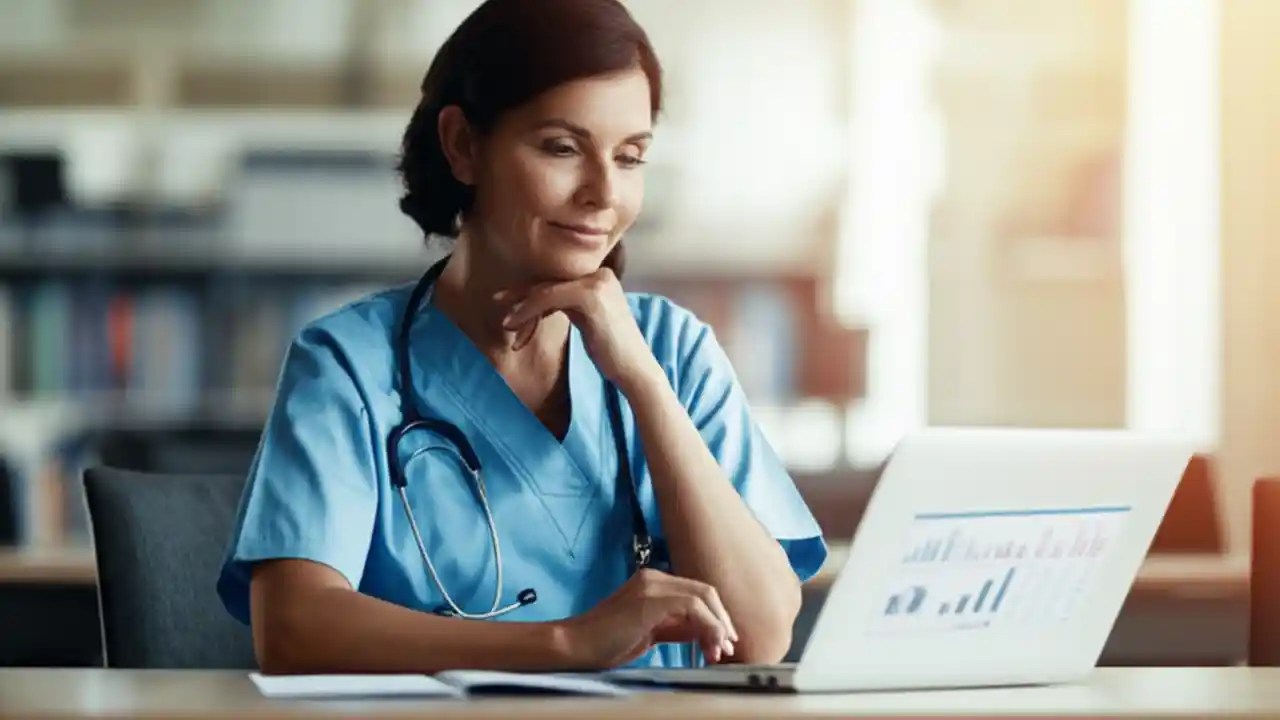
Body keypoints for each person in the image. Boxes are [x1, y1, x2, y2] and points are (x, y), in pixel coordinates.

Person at [217, 0, 826, 674]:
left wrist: (645, 386)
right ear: (463, 146)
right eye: (563, 148)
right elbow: (294, 629)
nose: (603, 192)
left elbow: (760, 639)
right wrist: (568, 643)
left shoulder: (674, 352)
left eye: (629, 157)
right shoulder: (348, 366)